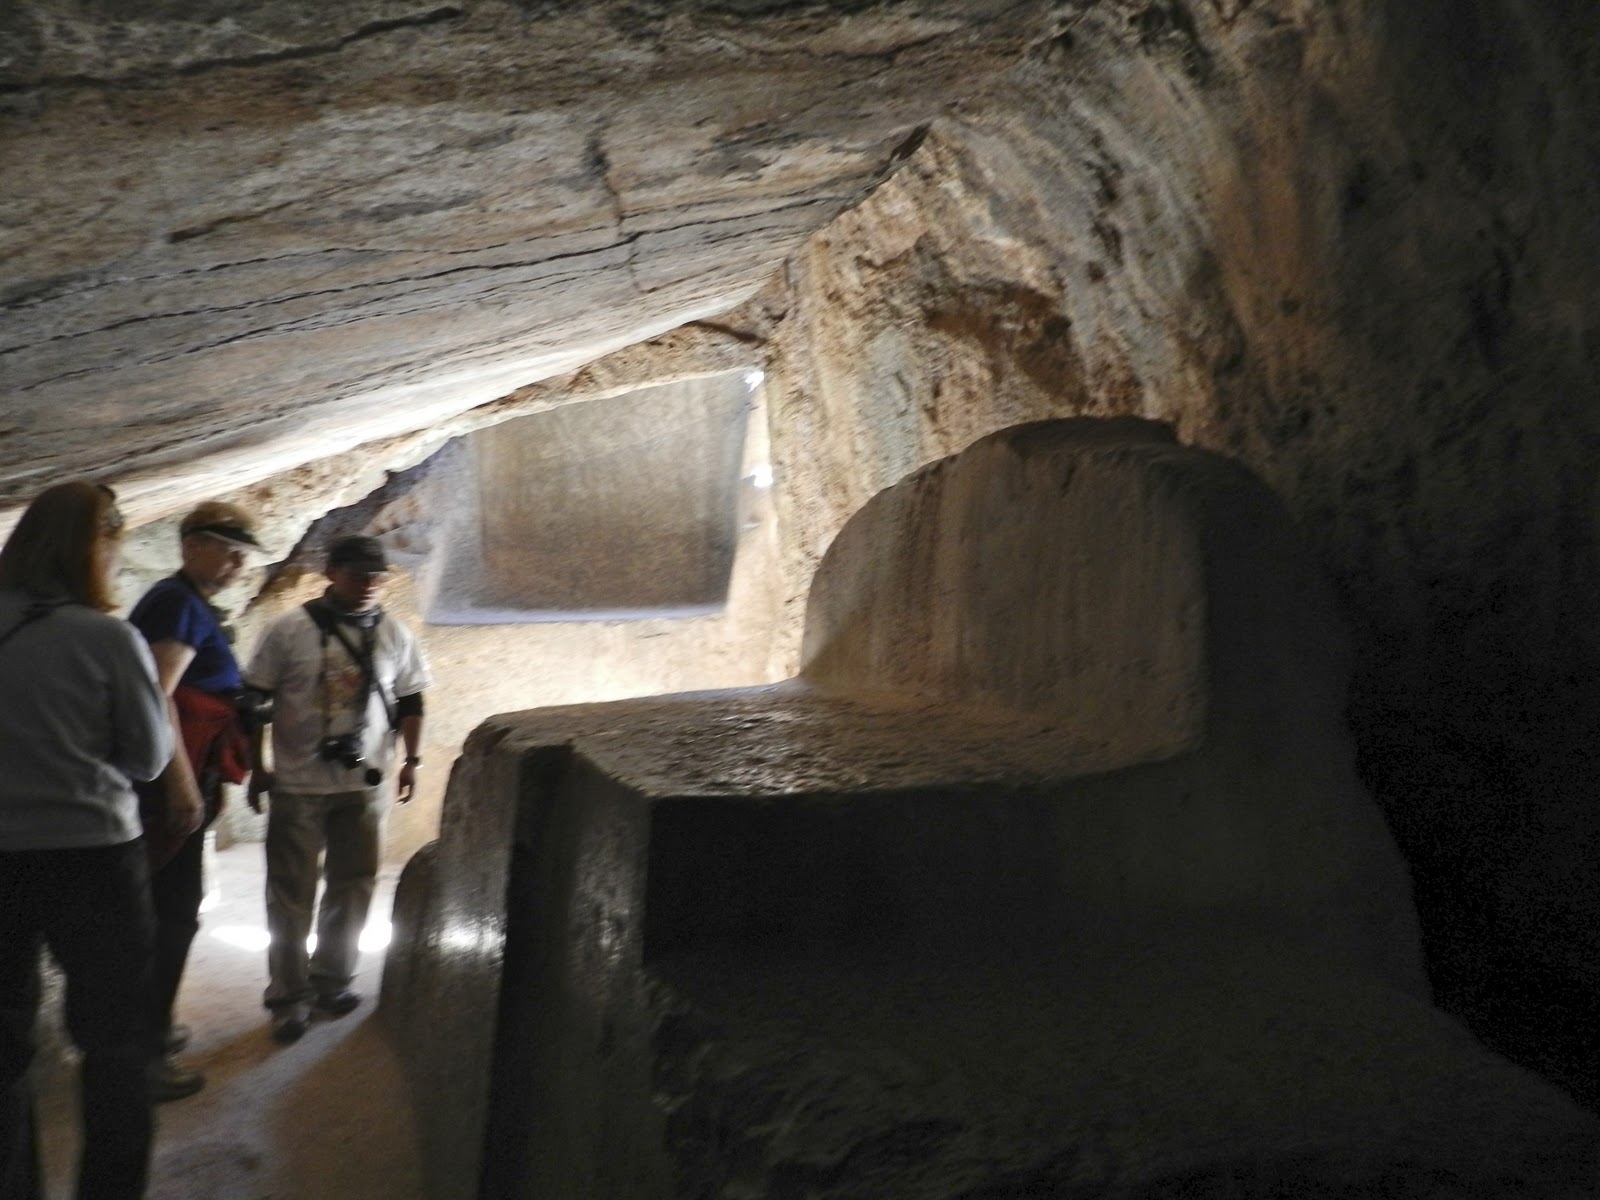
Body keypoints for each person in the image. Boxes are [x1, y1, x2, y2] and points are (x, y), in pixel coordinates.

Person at [0, 481, 183, 1200]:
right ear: (96, 546)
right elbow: (147, 757)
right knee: (116, 1043)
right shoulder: (107, 638)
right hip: (93, 852)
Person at [245, 535, 430, 1044]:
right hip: (298, 782)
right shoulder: (289, 629)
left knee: (354, 883)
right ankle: (288, 994)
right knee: (291, 892)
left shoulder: (394, 632)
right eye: (357, 576)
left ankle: (332, 979)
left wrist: (412, 762)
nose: (369, 585)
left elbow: (412, 701)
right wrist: (257, 768)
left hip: (364, 781)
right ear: (331, 573)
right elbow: (254, 703)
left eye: (377, 578)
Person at [127, 500, 263, 1102]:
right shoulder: (176, 604)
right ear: (190, 545)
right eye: (227, 550)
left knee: (170, 909)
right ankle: (142, 1054)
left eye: (244, 555)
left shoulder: (184, 602)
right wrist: (180, 784)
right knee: (172, 913)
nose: (238, 564)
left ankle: (150, 1030)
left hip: (182, 773)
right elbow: (158, 697)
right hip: (166, 784)